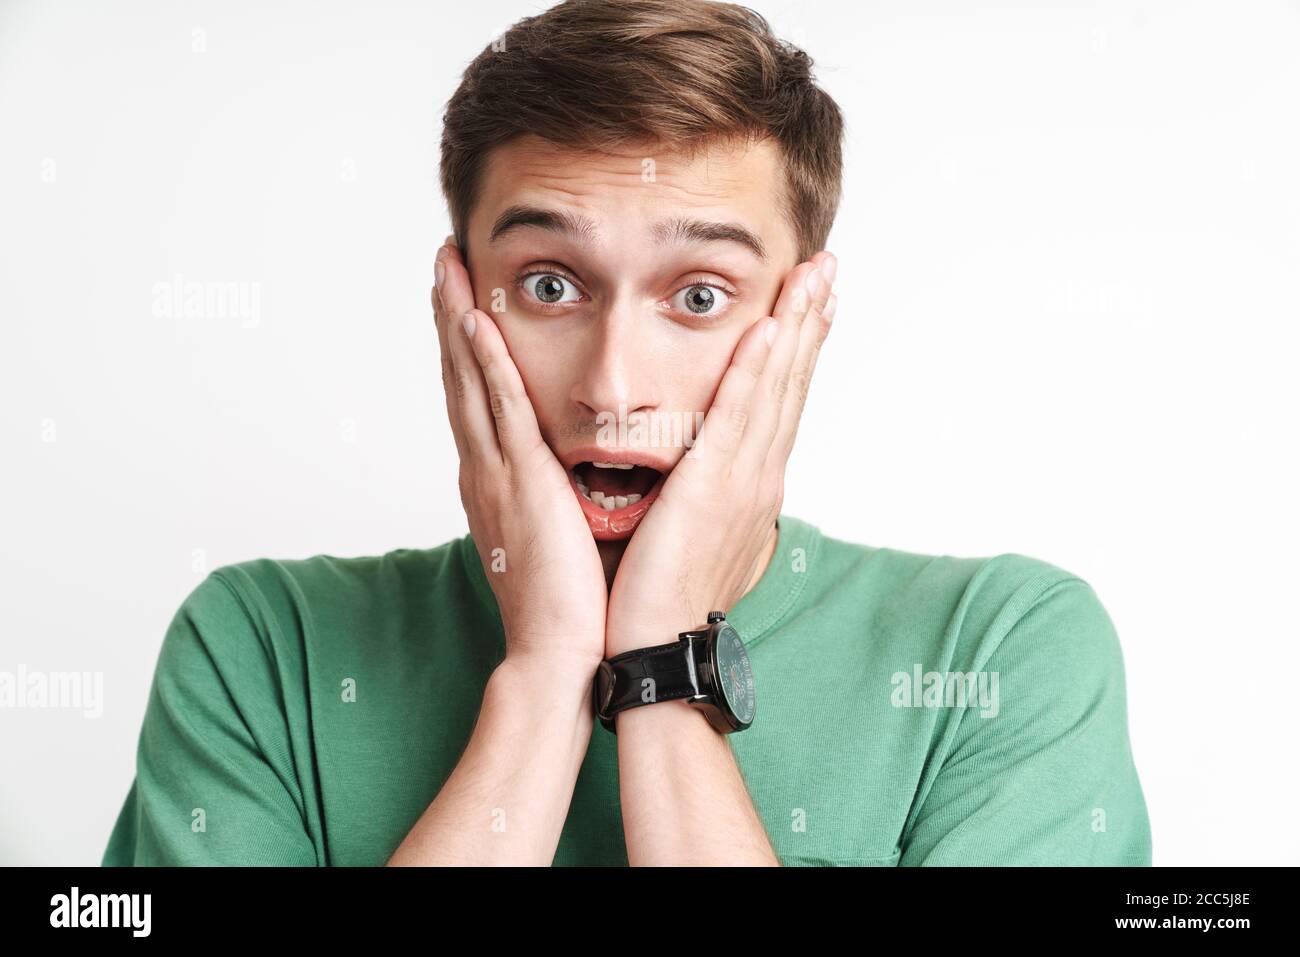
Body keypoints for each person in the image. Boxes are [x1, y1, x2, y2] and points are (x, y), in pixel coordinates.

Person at [103, 0, 1151, 866]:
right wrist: (550, 665)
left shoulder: (1003, 649)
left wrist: (660, 661)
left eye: (698, 296)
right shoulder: (262, 646)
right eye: (550, 285)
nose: (612, 388)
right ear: (457, 300)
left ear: (799, 320)